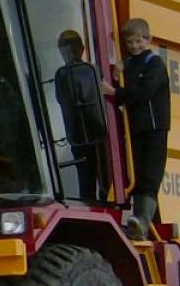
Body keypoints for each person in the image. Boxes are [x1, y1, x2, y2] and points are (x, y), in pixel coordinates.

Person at [118, 17, 171, 239]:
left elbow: (145, 92)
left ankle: (143, 219)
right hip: (136, 128)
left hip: (155, 126)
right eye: (130, 43)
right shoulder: (128, 64)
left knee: (150, 173)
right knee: (138, 173)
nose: (135, 46)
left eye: (139, 42)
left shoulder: (154, 63)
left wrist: (116, 92)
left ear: (149, 40)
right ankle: (139, 221)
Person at [51, 29, 107, 203]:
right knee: (97, 177)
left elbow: (61, 100)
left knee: (88, 179)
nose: (68, 54)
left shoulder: (63, 75)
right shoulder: (92, 71)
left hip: (85, 134)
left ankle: (91, 203)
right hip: (91, 133)